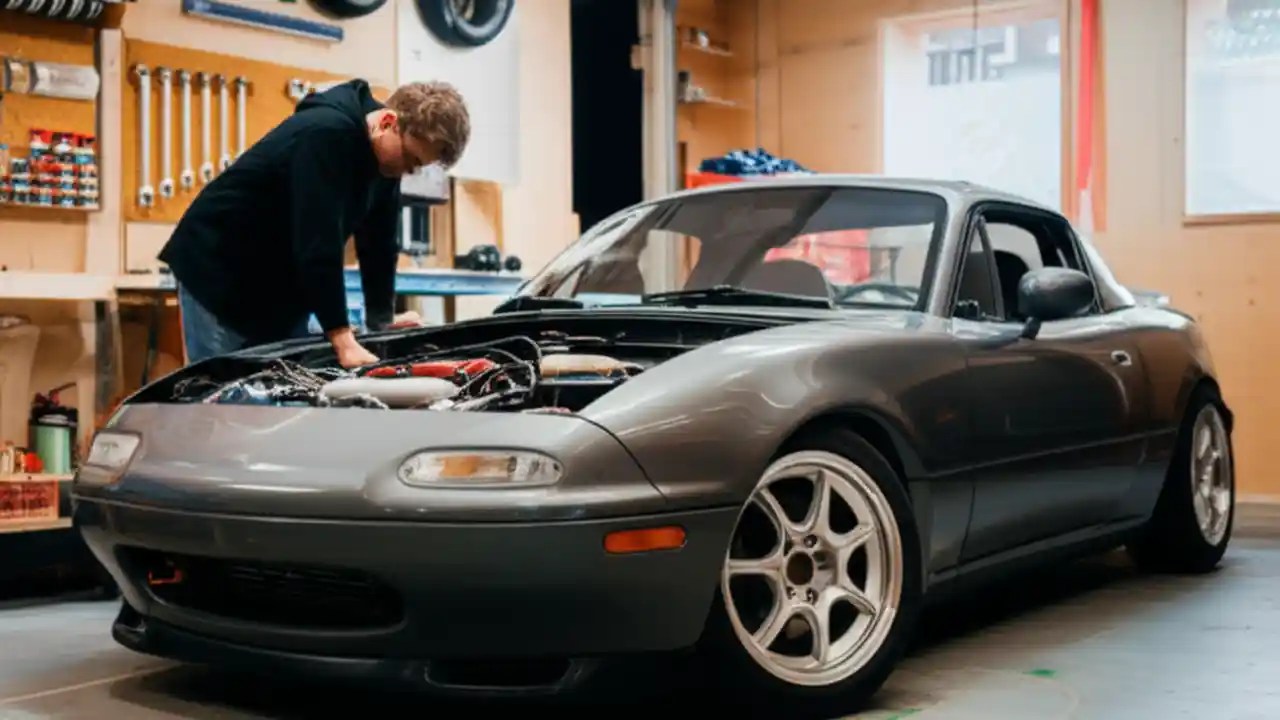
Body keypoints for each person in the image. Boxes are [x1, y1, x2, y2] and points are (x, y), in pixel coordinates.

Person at [158, 79, 470, 368]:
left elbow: (379, 243)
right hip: (219, 273)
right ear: (388, 123)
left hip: (276, 284)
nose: (408, 172)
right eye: (411, 160)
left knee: (283, 394)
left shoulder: (386, 162)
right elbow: (318, 241)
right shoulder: (326, 134)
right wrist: (342, 338)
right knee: (224, 405)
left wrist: (382, 321)